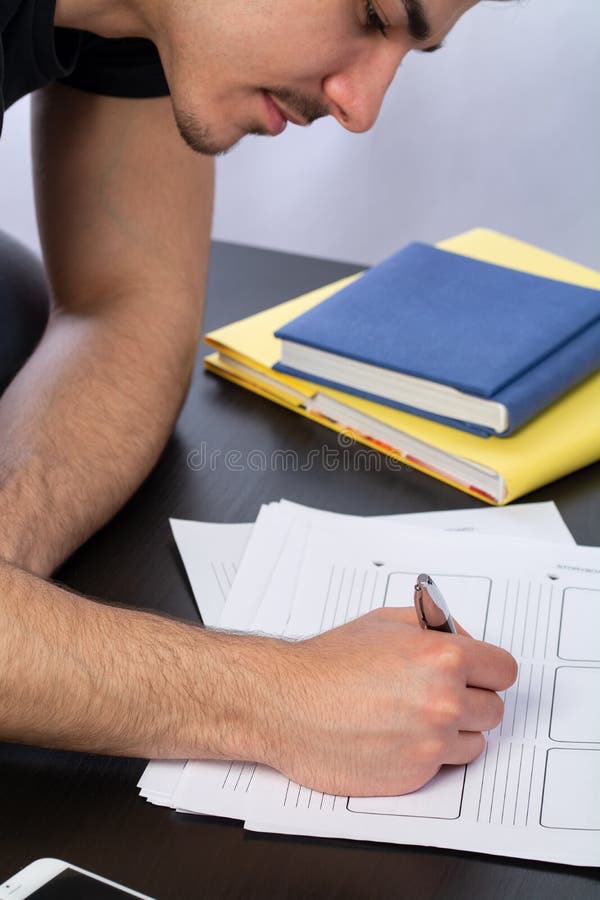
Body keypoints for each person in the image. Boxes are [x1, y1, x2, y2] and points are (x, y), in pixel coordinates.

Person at [0, 0, 517, 797]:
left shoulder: (138, 18)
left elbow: (125, 305)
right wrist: (281, 698)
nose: (360, 106)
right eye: (374, 14)